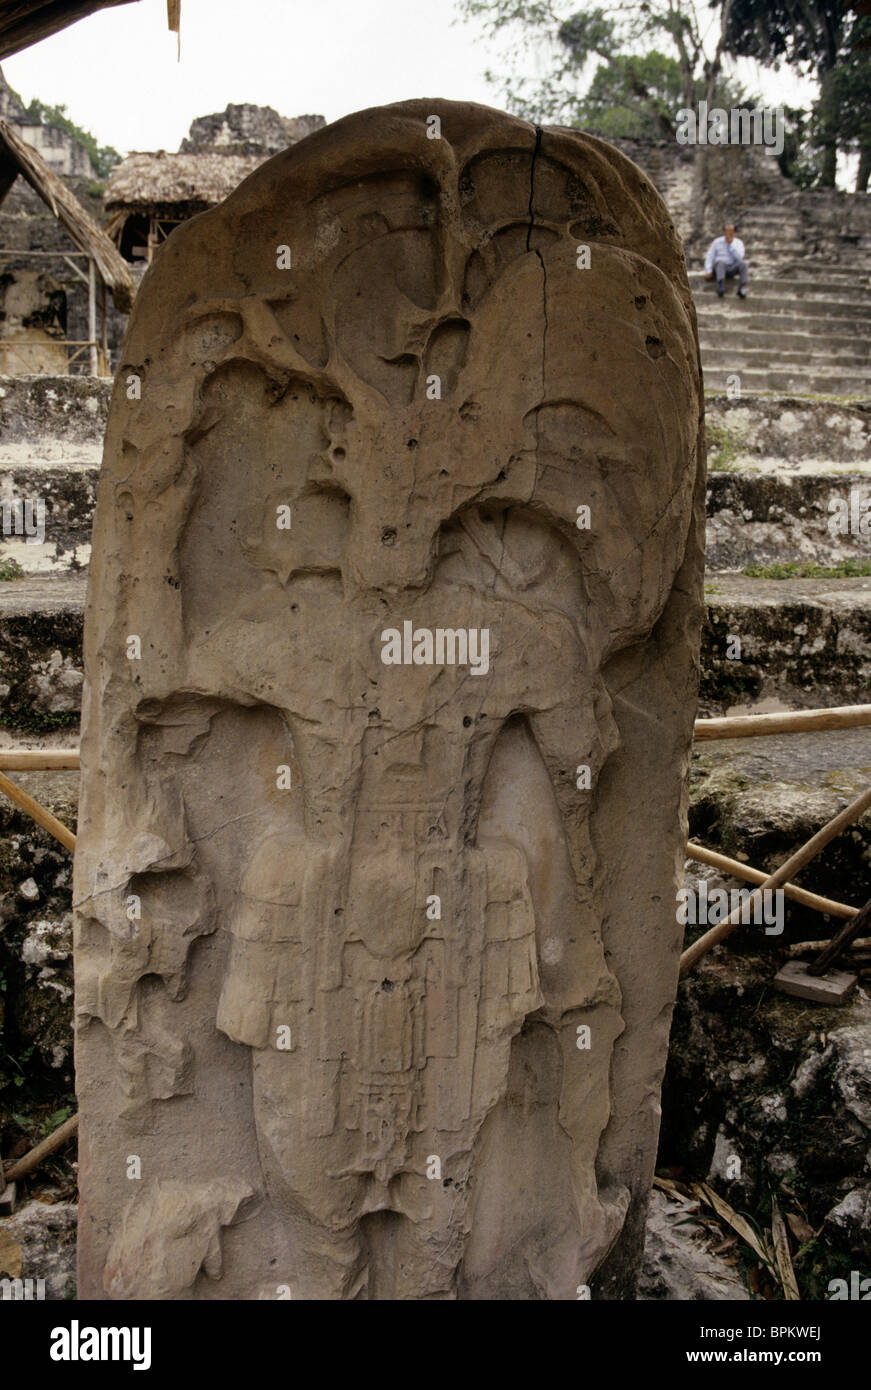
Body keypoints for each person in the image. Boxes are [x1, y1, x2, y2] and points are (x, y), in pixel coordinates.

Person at [704, 223, 749, 298]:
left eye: (730, 231)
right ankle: (720, 286)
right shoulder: (717, 242)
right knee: (721, 262)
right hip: (720, 267)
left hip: (732, 267)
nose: (728, 233)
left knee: (744, 263)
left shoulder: (738, 243)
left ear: (734, 232)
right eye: (726, 231)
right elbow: (710, 256)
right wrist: (708, 270)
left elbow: (740, 257)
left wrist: (731, 245)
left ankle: (741, 288)